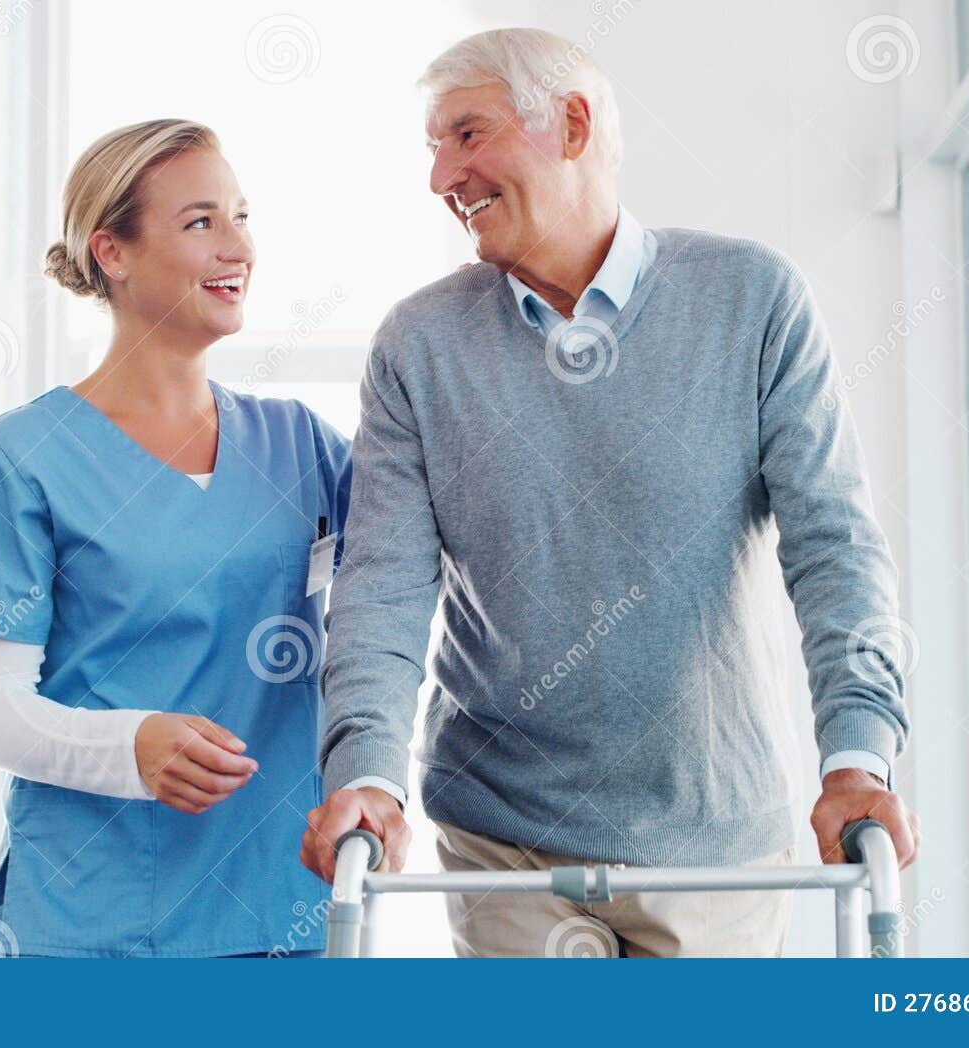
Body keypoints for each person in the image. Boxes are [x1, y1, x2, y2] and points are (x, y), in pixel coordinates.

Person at [300, 29, 919, 958]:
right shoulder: (418, 346)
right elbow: (382, 588)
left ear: (573, 125)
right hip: (501, 839)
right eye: (432, 147)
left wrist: (858, 755)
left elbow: (837, 549)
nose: (441, 177)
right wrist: (367, 773)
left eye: (467, 135)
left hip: (712, 841)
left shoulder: (752, 300)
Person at [0, 119, 351, 958]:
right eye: (201, 222)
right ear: (111, 252)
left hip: (279, 907)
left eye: (241, 216)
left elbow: (414, 584)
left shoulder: (301, 446)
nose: (238, 247)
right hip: (92, 920)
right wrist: (132, 746)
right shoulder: (23, 458)